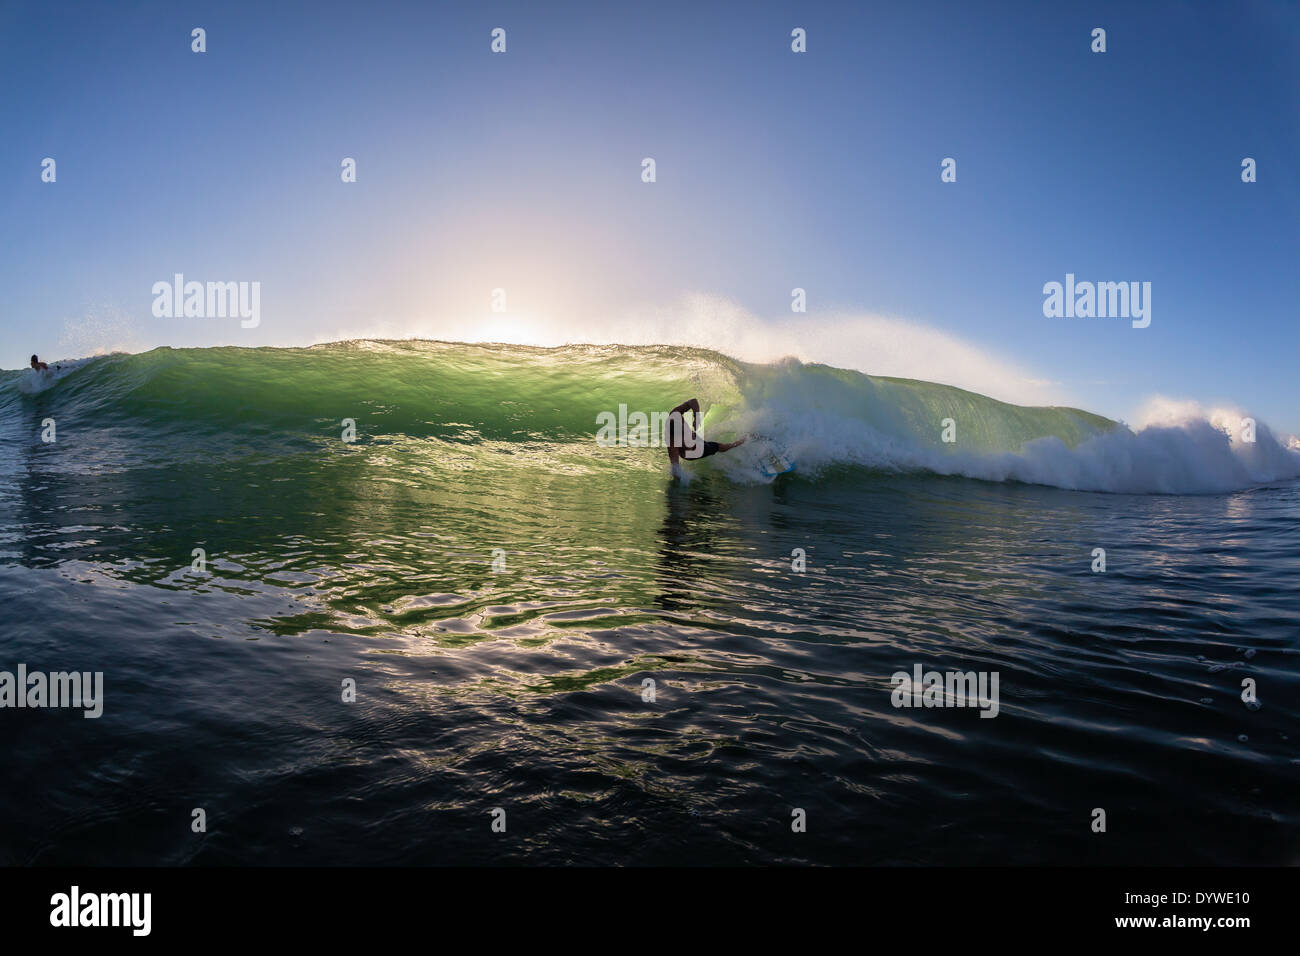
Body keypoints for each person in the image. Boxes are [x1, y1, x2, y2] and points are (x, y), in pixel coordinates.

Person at [666, 398, 745, 472]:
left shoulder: (675, 414)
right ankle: (741, 441)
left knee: (697, 435)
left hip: (694, 438)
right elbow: (675, 467)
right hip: (693, 451)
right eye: (682, 434)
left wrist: (696, 417)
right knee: (719, 447)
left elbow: (693, 401)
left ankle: (701, 438)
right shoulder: (672, 444)